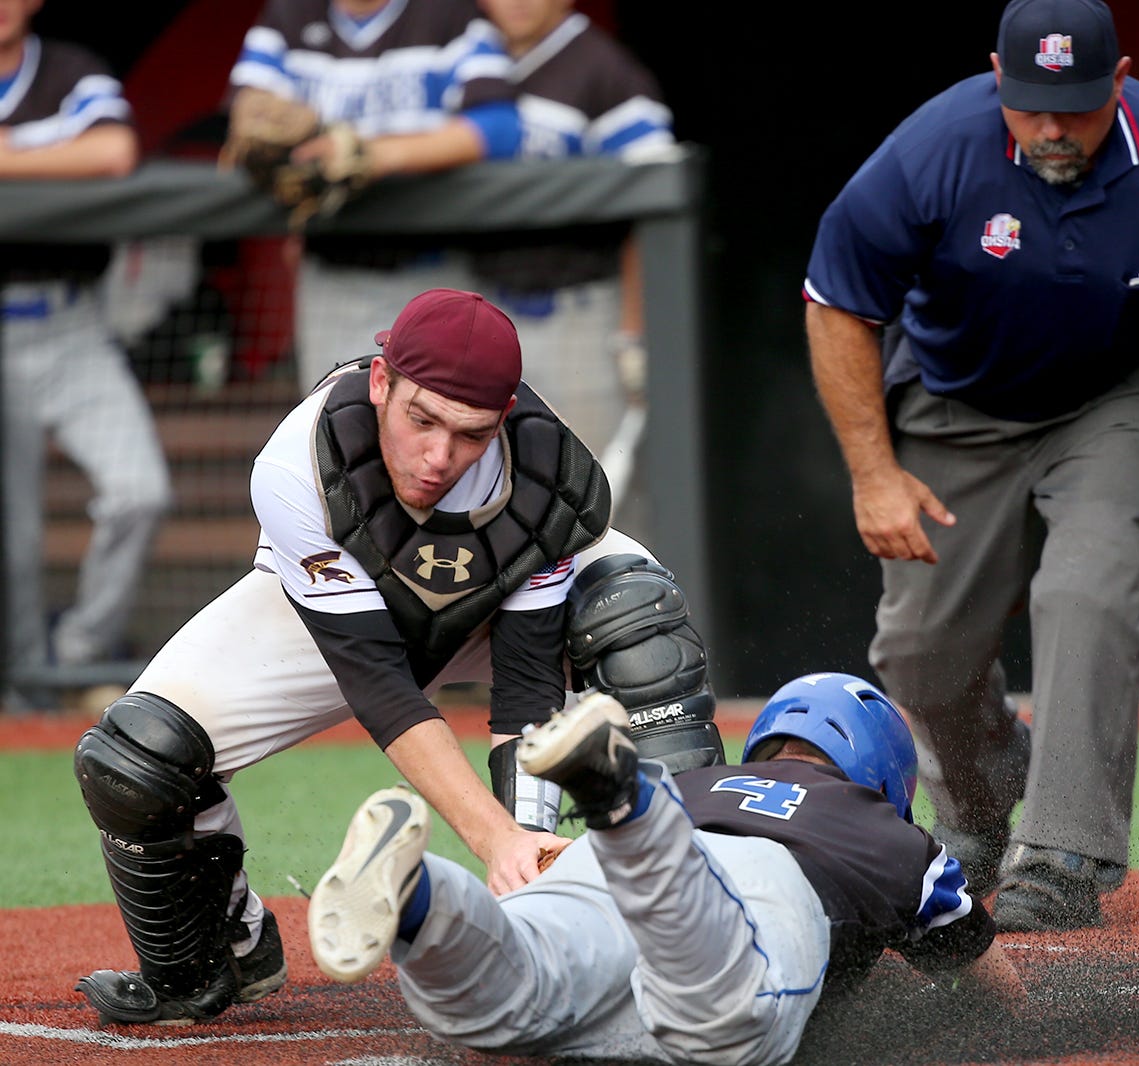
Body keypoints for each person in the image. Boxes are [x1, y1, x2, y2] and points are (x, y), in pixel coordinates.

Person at [802, 0, 1139, 932]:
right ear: (995, 79)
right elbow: (836, 303)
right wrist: (874, 473)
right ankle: (976, 814)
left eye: (1078, 104)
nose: (1052, 126)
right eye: (1030, 105)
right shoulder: (932, 151)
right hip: (953, 397)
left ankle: (1063, 851)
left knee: (1086, 591)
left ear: (1122, 79)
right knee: (922, 648)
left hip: (1115, 398)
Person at [71, 286, 725, 1025]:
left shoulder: (549, 480)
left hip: (493, 616)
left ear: (503, 419)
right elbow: (380, 683)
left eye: (472, 434)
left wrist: (521, 839)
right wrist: (492, 836)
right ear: (381, 382)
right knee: (135, 761)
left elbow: (526, 681)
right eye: (421, 420)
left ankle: (711, 920)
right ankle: (215, 957)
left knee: (637, 623)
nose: (440, 456)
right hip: (357, 619)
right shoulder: (299, 468)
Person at [305, 672, 1026, 1065]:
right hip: (753, 884)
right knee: (722, 1025)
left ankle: (425, 899)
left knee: (508, 994)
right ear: (884, 776)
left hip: (605, 863)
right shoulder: (881, 832)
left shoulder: (704, 782)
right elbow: (996, 989)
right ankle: (624, 805)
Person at [0, 0, 173, 697]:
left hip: (71, 326)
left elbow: (113, 149)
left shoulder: (70, 71)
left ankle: (75, 656)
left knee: (141, 491)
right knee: (12, 539)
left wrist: (6, 157)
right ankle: (17, 686)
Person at [223, 0, 521, 395]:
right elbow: (248, 110)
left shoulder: (449, 12)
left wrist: (377, 154)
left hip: (435, 272)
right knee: (337, 426)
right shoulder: (289, 15)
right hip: (330, 272)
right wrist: (259, 126)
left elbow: (501, 128)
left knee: (435, 422)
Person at [468, 0, 678, 528]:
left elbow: (651, 207)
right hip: (482, 305)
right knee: (488, 494)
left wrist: (633, 329)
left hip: (580, 311)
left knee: (594, 497)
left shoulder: (604, 69)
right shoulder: (466, 59)